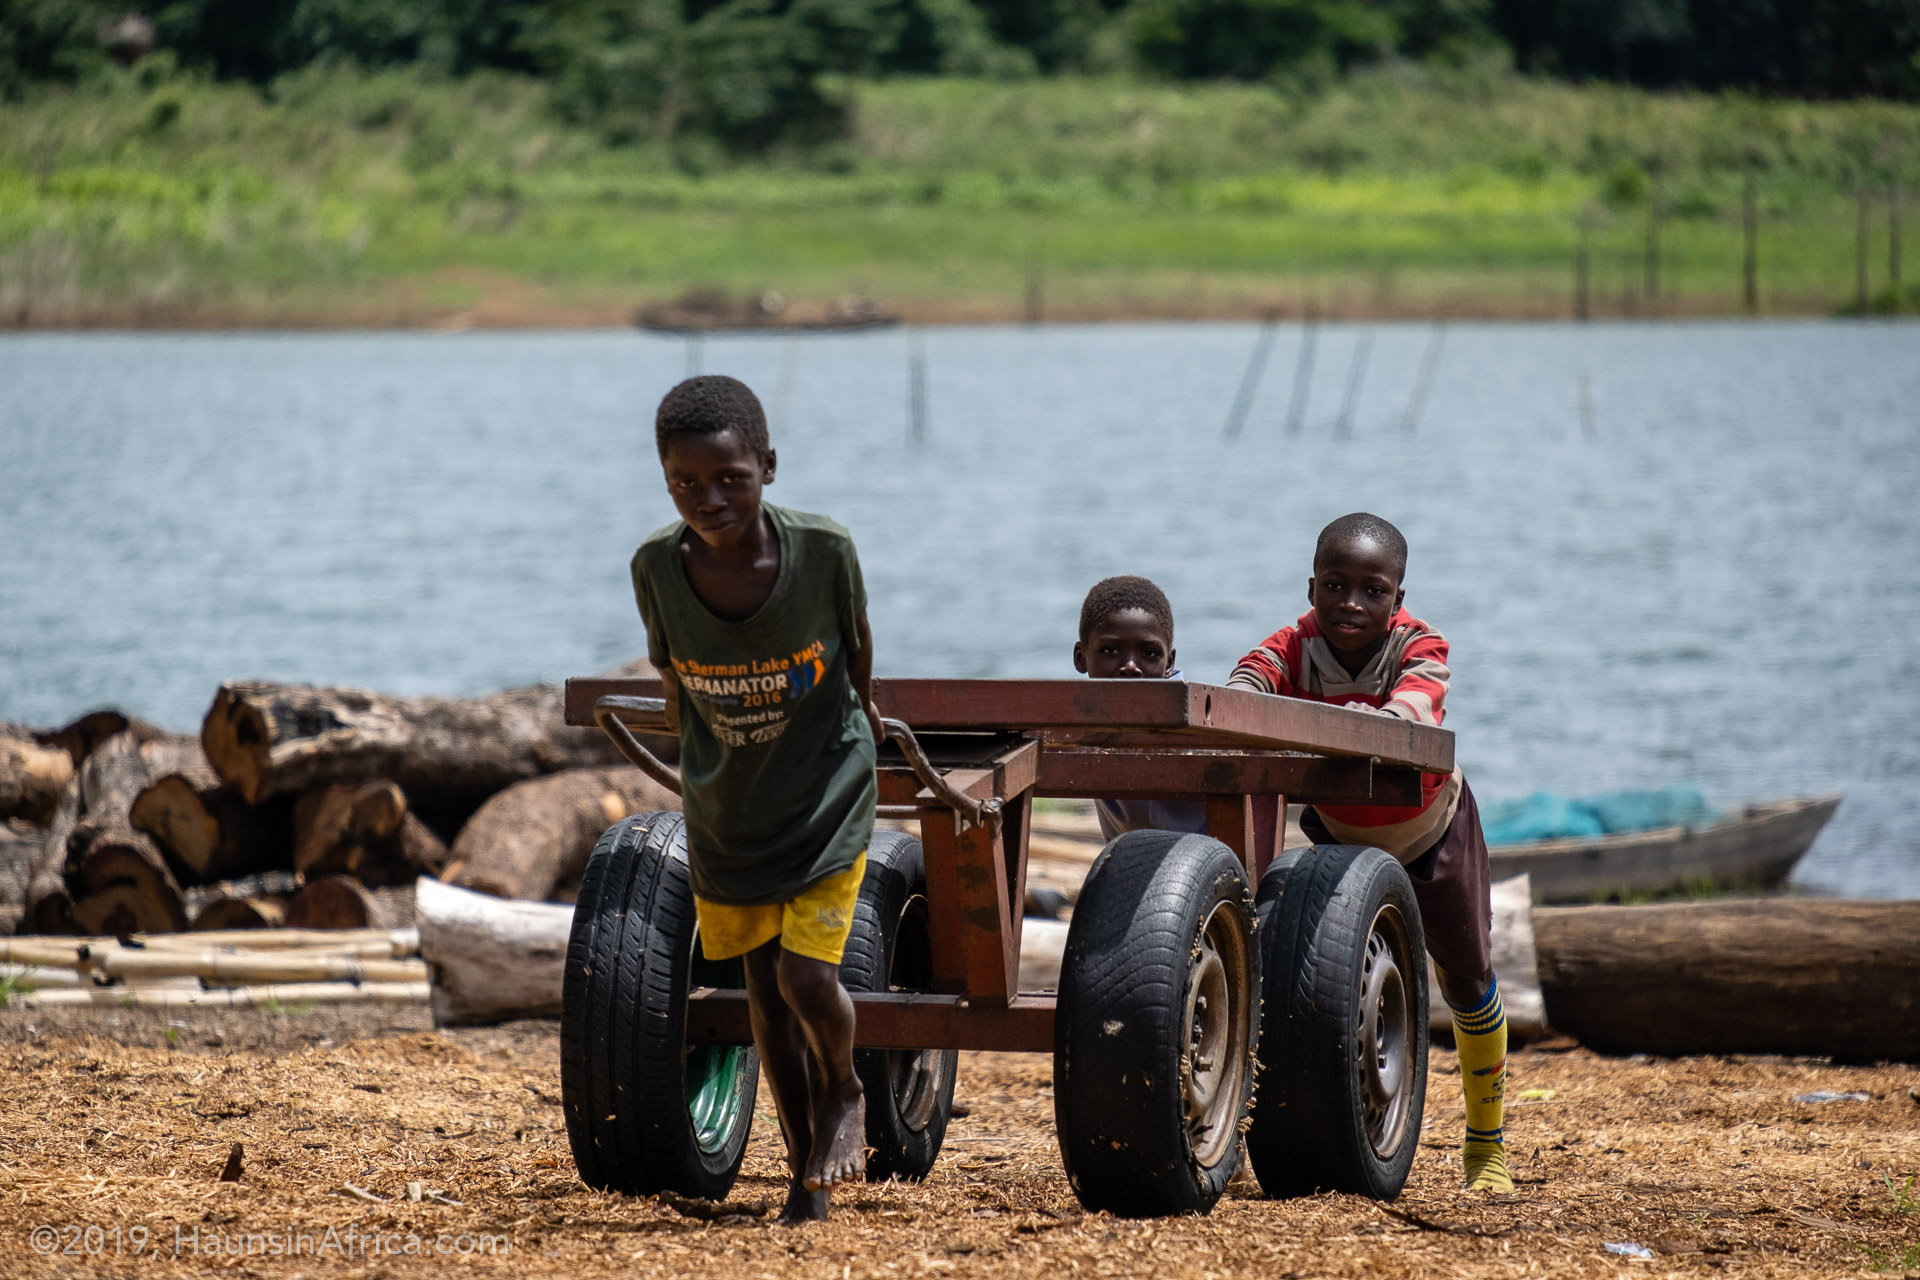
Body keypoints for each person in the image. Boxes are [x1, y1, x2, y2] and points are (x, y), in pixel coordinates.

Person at [629, 375, 883, 1223]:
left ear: (768, 466)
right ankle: (804, 1178)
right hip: (729, 812)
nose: (710, 498)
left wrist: (847, 735)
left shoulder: (823, 552)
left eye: (731, 478)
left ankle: (845, 1091)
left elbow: (858, 657)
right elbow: (673, 677)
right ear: (665, 480)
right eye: (686, 483)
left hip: (826, 793)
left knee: (806, 976)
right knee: (765, 999)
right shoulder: (658, 569)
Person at [1226, 512, 1512, 1194]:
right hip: (1339, 836)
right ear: (1311, 588)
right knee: (1315, 982)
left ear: (1397, 600)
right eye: (1335, 585)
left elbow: (1417, 705)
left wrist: (1347, 728)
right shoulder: (1291, 648)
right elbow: (1246, 685)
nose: (1351, 603)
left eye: (1372, 589)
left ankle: (1486, 1144)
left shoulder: (1420, 644)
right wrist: (1245, 710)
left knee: (1467, 975)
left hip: (1430, 829)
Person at [1072, 575, 1206, 842]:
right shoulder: (1083, 723)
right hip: (1132, 864)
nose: (1130, 667)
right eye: (1110, 651)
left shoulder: (1196, 727)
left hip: (1209, 866)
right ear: (1081, 658)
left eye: (1149, 654)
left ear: (1169, 662)